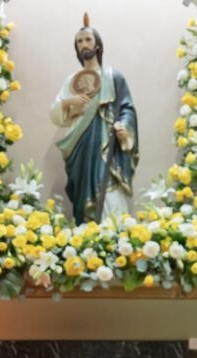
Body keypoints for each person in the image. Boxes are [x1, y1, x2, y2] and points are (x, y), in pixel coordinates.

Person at [49, 17, 138, 224]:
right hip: (80, 147)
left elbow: (127, 107)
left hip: (108, 146)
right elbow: (55, 113)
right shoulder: (71, 80)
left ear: (97, 45)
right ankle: (87, 241)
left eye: (87, 39)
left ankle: (113, 240)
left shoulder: (113, 76)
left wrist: (124, 127)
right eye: (79, 42)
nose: (83, 45)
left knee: (110, 195)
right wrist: (67, 103)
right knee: (83, 198)